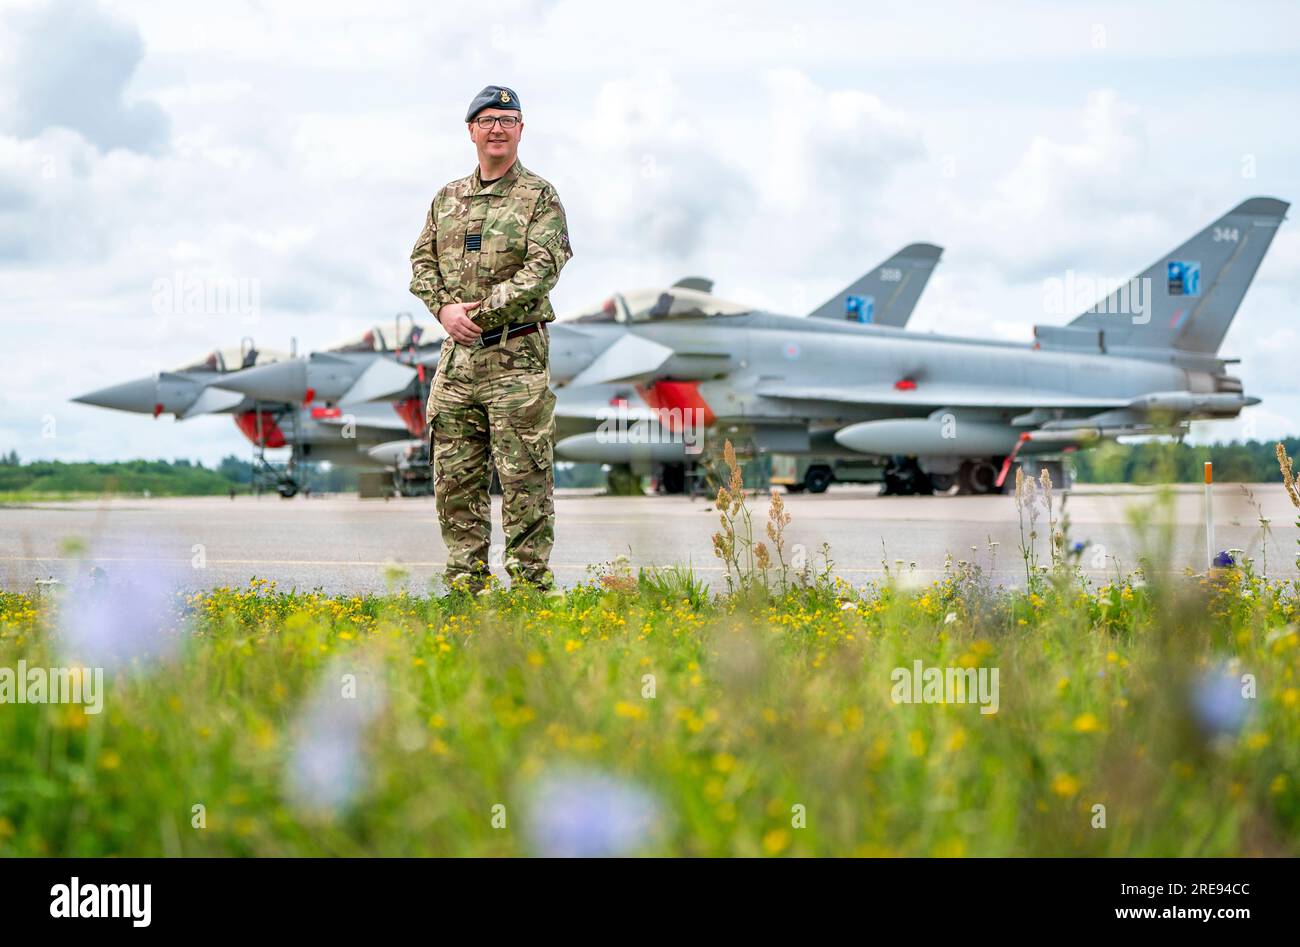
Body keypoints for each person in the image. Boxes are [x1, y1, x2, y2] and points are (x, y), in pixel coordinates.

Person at [409, 85, 572, 593]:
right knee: (455, 480)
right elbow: (422, 263)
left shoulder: (539, 197)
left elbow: (545, 267)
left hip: (516, 360)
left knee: (524, 480)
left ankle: (528, 592)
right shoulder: (447, 198)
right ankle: (465, 586)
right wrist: (443, 309)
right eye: (487, 120)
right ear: (471, 131)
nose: (497, 127)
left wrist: (481, 312)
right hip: (456, 366)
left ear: (521, 129)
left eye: (507, 118)